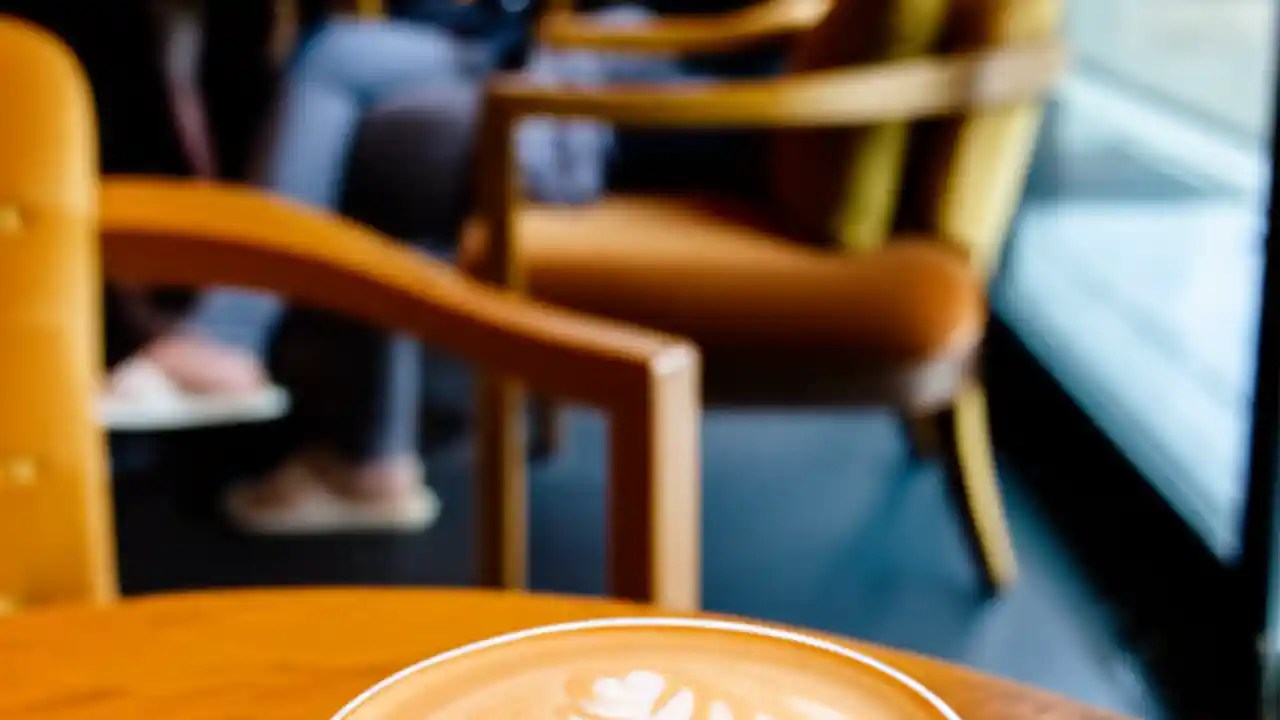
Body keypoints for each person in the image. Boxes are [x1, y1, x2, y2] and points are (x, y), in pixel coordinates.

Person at [105, 0, 772, 534]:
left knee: (388, 143)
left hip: (637, 76)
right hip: (521, 38)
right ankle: (241, 346)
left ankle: (324, 419)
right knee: (337, 51)